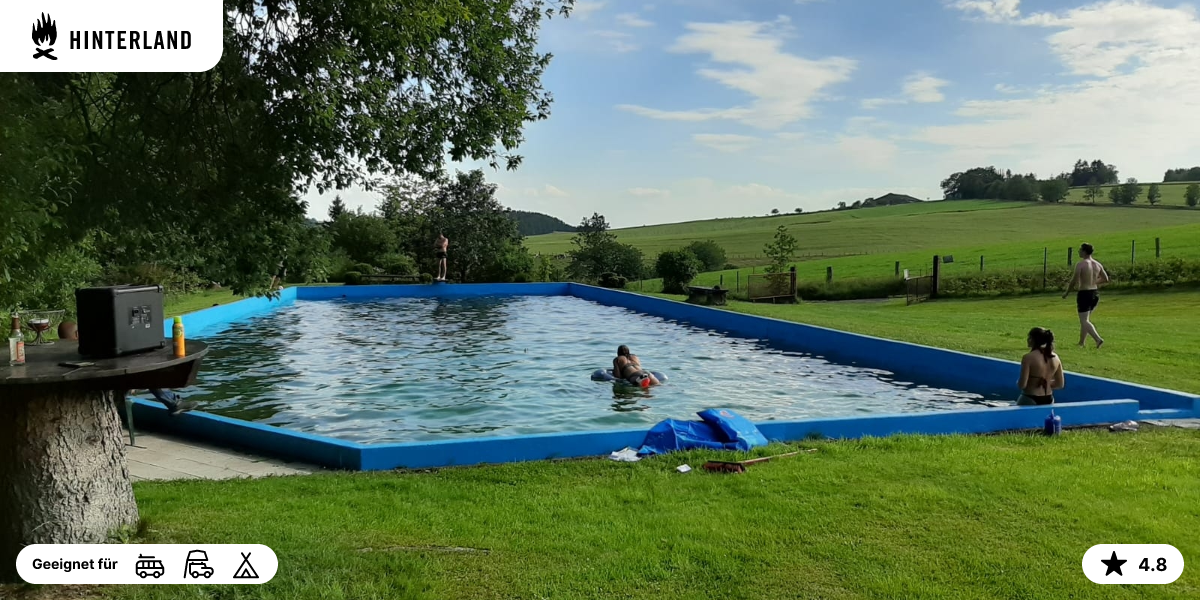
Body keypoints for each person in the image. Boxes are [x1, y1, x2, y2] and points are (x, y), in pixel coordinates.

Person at [1061, 242, 1110, 348]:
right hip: (1095, 294)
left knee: (1084, 320)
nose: (1079, 251)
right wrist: (1093, 282)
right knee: (1085, 320)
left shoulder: (1081, 264)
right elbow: (1105, 279)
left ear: (1084, 251)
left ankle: (1098, 339)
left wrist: (1066, 293)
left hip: (1084, 293)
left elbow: (1074, 280)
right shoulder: (1097, 264)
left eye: (1080, 250)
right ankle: (1081, 342)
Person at [1016, 327, 1064, 405]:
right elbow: (1060, 384)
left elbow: (1022, 385)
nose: (1028, 340)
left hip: (1030, 397)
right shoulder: (1055, 357)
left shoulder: (1028, 357)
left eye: (1029, 337)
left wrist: (1018, 382)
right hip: (1049, 398)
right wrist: (1046, 383)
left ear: (1033, 339)